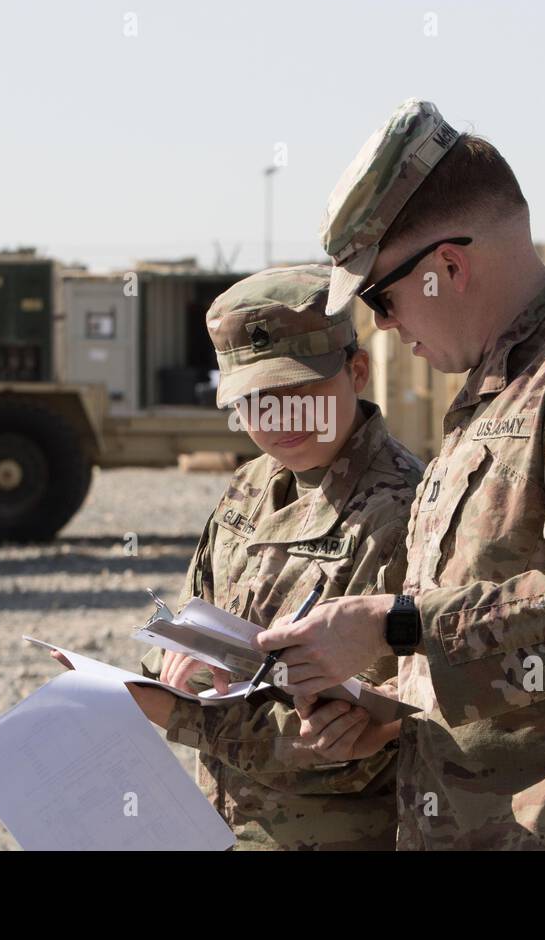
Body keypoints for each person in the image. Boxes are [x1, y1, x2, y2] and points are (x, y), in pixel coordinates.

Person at [255, 99, 545, 850]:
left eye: (380, 295)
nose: (382, 324)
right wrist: (396, 702)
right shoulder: (493, 396)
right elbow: (503, 636)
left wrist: (390, 624)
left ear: (447, 268)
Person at [60, 263, 423, 849]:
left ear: (356, 372)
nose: (277, 417)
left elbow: (371, 739)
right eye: (254, 399)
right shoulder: (250, 486)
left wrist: (182, 714)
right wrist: (177, 674)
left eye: (299, 391)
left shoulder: (405, 511)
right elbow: (192, 629)